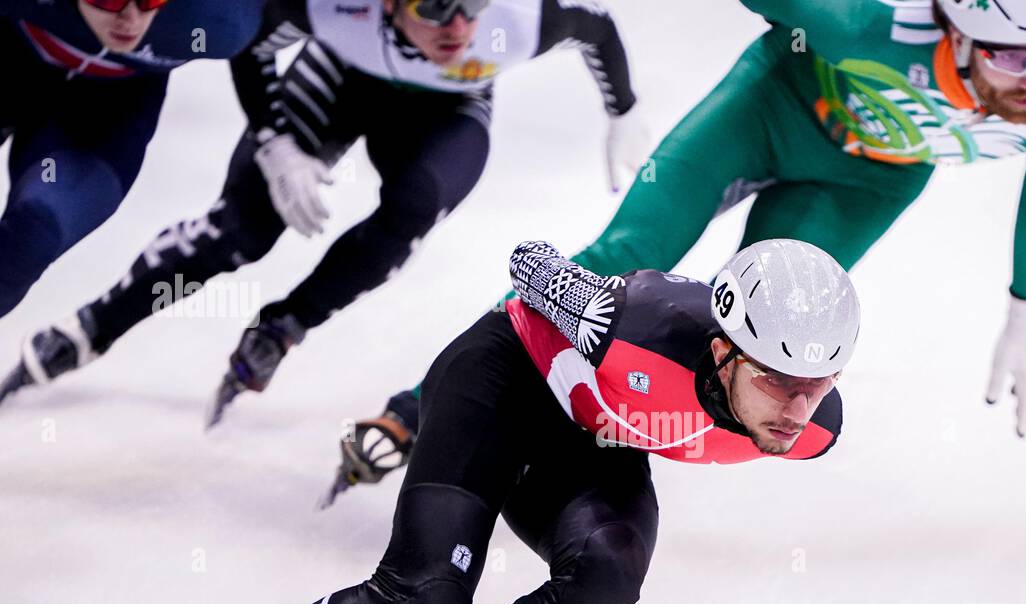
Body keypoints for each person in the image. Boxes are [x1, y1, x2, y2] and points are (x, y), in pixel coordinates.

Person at [110, 237, 859, 604]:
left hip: (591, 440)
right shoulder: (638, 325)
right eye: (777, 381)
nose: (796, 410)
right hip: (501, 382)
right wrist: (587, 309)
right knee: (425, 596)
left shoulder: (812, 430)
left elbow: (778, 407)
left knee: (612, 570)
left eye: (817, 384)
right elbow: (528, 261)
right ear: (724, 352)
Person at [329, 0, 1026, 503]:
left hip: (867, 181)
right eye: (1008, 58)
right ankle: (418, 408)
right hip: (768, 107)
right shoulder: (864, 26)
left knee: (763, 344)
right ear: (955, 36)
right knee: (621, 255)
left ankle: (564, 442)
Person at [1, 0, 647, 423]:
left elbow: (599, 28)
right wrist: (275, 141)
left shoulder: (525, 17)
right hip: (338, 78)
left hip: (449, 111)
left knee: (414, 211)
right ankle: (95, 324)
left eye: (471, 5)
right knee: (243, 228)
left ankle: (286, 325)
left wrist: (624, 110)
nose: (457, 27)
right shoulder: (332, 7)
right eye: (433, 7)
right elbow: (250, 42)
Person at [0, 0, 265, 321]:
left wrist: (276, 138)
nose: (131, 18)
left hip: (108, 108)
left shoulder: (218, 20)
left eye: (150, 0)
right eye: (110, 0)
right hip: (12, 54)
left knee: (30, 239)